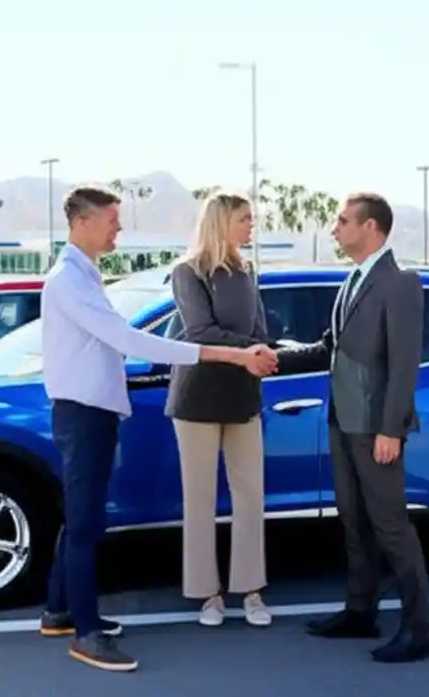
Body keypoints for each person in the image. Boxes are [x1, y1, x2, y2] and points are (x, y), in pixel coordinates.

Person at [38, 184, 277, 673]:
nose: (118, 231)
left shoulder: (84, 275)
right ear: (82, 223)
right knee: (85, 525)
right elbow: (126, 339)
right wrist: (230, 354)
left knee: (83, 519)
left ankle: (60, 612)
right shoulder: (68, 280)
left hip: (95, 412)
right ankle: (86, 634)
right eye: (111, 222)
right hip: (83, 414)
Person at [275, 192, 429, 663]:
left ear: (372, 228)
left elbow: (405, 364)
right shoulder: (352, 281)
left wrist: (392, 430)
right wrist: (270, 358)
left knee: (392, 527)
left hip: (374, 429)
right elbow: (329, 348)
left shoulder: (400, 283)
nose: (335, 228)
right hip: (343, 422)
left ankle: (420, 629)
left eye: (343, 221)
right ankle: (360, 612)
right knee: (355, 524)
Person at [164, 189, 271, 628]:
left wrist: (266, 355)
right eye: (245, 218)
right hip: (197, 398)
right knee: (200, 499)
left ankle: (251, 590)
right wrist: (253, 351)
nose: (252, 226)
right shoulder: (187, 272)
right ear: (221, 221)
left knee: (250, 496)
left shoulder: (248, 272)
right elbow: (199, 332)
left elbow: (261, 330)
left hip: (242, 395)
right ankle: (207, 594)